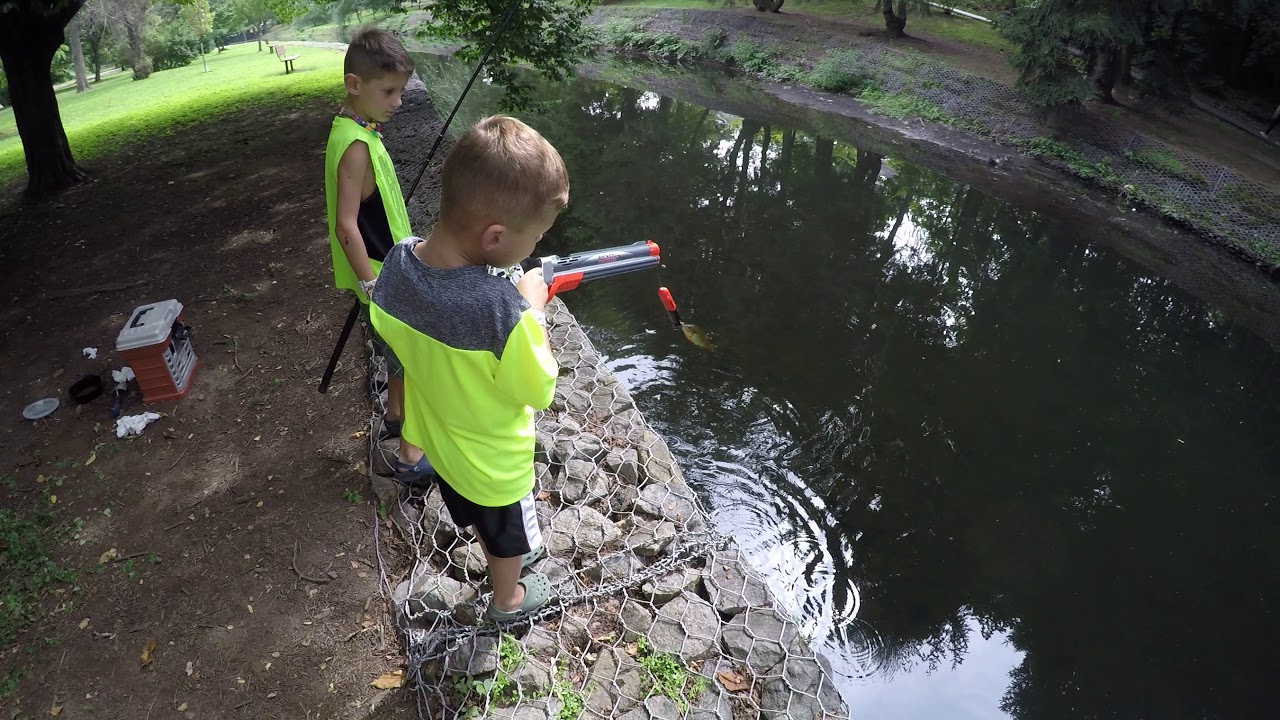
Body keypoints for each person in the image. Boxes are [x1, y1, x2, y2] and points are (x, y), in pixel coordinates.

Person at [370, 116, 568, 621]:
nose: (536, 248)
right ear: (496, 237)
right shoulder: (503, 311)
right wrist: (534, 311)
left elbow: (386, 324)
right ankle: (509, 600)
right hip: (494, 464)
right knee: (505, 533)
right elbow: (539, 385)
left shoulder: (396, 262)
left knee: (478, 518)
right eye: (536, 237)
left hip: (442, 445)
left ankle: (504, 569)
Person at [324, 27, 425, 480]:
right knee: (418, 358)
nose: (398, 102)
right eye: (389, 91)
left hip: (389, 270)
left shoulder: (354, 128)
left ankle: (396, 413)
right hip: (383, 277)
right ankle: (410, 456)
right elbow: (348, 224)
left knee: (396, 357)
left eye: (401, 91)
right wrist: (372, 285)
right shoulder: (356, 146)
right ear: (354, 85)